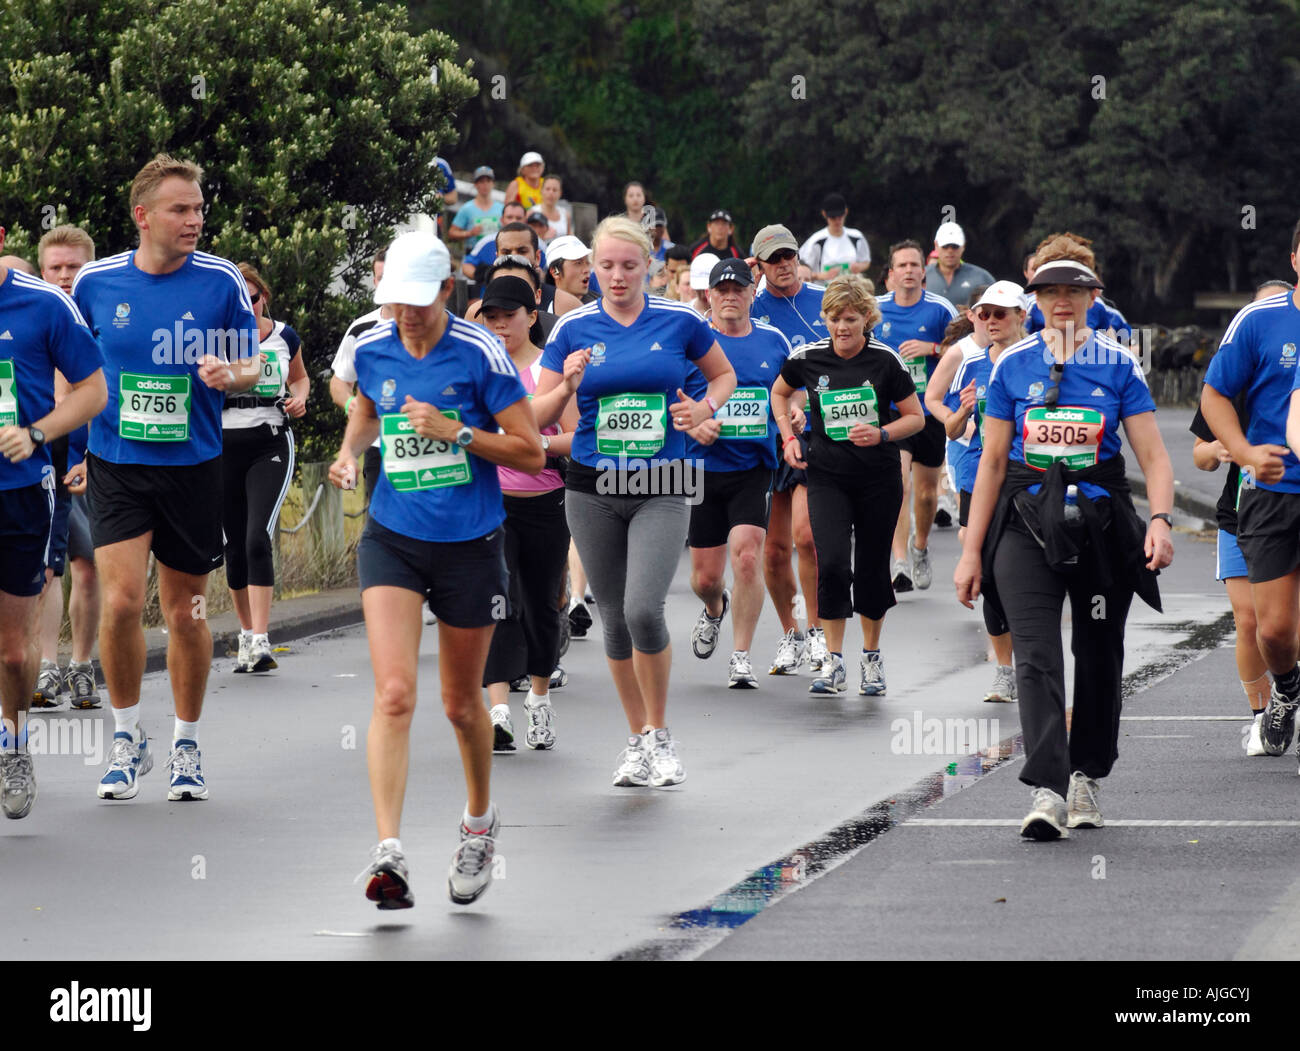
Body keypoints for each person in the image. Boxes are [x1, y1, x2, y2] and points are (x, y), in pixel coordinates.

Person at [334, 231, 543, 908]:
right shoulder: (373, 347)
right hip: (393, 536)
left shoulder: (480, 353)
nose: (408, 314)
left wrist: (455, 431)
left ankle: (478, 821)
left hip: (470, 542)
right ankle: (388, 851)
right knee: (394, 693)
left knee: (461, 703)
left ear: (447, 293)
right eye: (397, 301)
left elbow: (531, 452)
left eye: (420, 302)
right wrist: (346, 454)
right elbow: (366, 414)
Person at [955, 258, 1174, 839]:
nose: (1061, 302)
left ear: (1093, 297)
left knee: (1099, 653)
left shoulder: (1119, 365)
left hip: (1101, 523)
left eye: (1072, 292)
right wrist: (971, 552)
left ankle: (1085, 777)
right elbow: (993, 464)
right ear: (1034, 302)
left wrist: (1160, 520)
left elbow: (1152, 455)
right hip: (1026, 522)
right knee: (1036, 654)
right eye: (1048, 292)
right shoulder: (1011, 366)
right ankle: (1048, 788)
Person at [72, 154, 261, 803]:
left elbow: (254, 365)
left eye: (200, 209)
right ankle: (126, 738)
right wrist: (68, 444)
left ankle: (186, 742)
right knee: (122, 601)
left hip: (194, 466)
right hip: (118, 463)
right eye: (181, 209)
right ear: (142, 215)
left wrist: (228, 375)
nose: (195, 220)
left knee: (184, 611)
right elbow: (73, 369)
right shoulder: (94, 283)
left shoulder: (221, 281)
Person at [533, 216, 736, 787]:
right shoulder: (572, 328)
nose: (617, 276)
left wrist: (704, 410)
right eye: (606, 266)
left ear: (648, 265)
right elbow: (538, 416)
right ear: (591, 269)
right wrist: (567, 387)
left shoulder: (679, 321)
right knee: (614, 621)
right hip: (592, 486)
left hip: (663, 483)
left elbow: (722, 377)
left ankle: (662, 736)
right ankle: (637, 739)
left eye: (629, 265)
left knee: (644, 609)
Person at [771, 274, 923, 694]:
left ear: (867, 320)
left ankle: (871, 658)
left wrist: (883, 434)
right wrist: (788, 436)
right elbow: (779, 393)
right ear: (825, 319)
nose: (842, 327)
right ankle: (833, 662)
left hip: (877, 478)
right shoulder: (808, 357)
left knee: (872, 569)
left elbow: (917, 417)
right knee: (833, 563)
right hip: (827, 477)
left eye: (851, 319)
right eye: (835, 318)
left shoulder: (885, 361)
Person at [0, 224, 106, 818]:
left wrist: (39, 433)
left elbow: (93, 390)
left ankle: (13, 743)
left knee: (13, 654)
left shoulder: (44, 304)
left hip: (20, 491)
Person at [1204, 225, 1300, 763]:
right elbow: (1215, 395)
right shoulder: (1260, 320)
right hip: (1271, 490)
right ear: (1294, 258)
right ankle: (1286, 688)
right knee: (1275, 629)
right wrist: (1243, 452)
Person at [474, 275, 577, 750]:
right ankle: (497, 710)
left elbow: (577, 437)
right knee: (496, 600)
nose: (500, 326)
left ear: (532, 317)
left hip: (546, 503)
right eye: (491, 318)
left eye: (508, 317)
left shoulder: (547, 372)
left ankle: (537, 700)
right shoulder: (479, 371)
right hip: (492, 505)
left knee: (539, 605)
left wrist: (533, 443)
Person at [685, 258, 791, 687]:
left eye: (738, 289)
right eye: (721, 289)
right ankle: (714, 607)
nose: (730, 296)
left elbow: (791, 392)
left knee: (748, 555)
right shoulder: (693, 340)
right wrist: (696, 422)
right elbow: (669, 395)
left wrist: (795, 414)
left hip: (753, 466)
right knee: (705, 578)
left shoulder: (772, 340)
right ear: (709, 296)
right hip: (701, 468)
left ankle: (741, 655)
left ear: (753, 293)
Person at [927, 281, 1026, 703]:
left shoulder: (1040, 361)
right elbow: (946, 425)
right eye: (984, 314)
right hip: (978, 478)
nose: (990, 322)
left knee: (1028, 570)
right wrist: (963, 412)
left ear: (1022, 315)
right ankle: (1005, 669)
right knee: (988, 570)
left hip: (1028, 479)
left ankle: (1035, 659)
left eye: (999, 314)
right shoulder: (970, 362)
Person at [750, 224, 830, 674]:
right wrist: (743, 279)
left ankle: (817, 630)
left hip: (819, 434)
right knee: (775, 549)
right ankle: (790, 634)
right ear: (758, 265)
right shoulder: (751, 306)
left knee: (807, 536)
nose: (783, 265)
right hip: (767, 436)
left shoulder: (824, 300)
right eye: (772, 259)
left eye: (788, 256)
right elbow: (708, 340)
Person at [223, 263, 308, 673]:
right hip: (221, 445)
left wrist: (299, 398)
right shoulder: (215, 337)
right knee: (234, 546)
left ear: (264, 298)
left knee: (258, 536)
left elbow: (301, 378)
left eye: (253, 298)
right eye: (239, 298)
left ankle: (261, 639)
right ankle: (244, 634)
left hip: (269, 440)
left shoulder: (284, 335)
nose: (247, 305)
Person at [33, 225, 101, 709]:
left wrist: (91, 459)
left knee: (91, 566)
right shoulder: (40, 314)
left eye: (73, 268)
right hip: (49, 461)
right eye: (55, 268)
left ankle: (81, 665)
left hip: (102, 460)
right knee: (47, 568)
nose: (63, 276)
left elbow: (106, 395)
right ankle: (47, 667)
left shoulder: (103, 318)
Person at [874, 239, 958, 592]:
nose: (908, 271)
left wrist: (933, 348)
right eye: (901, 266)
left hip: (929, 411)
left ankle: (920, 547)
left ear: (924, 272)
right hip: (893, 412)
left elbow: (964, 348)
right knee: (899, 482)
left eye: (914, 265)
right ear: (890, 274)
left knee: (925, 494)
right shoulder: (875, 310)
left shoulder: (940, 310)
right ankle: (899, 562)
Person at [330, 250, 390, 509]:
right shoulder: (362, 329)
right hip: (377, 444)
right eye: (381, 278)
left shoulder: (439, 328)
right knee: (380, 527)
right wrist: (350, 404)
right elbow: (340, 381)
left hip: (431, 446)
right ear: (375, 282)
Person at [1024, 232, 1131, 343]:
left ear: (1092, 296)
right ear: (1038, 297)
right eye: (1051, 291)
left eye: (1074, 290)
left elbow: (1122, 344)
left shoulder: (1101, 309)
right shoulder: (1030, 308)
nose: (1062, 302)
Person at [798, 194, 871, 283]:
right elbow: (799, 270)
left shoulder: (857, 237)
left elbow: (866, 261)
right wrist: (821, 276)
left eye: (840, 216)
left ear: (846, 212)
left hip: (851, 292)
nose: (837, 221)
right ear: (824, 214)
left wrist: (859, 267)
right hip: (824, 294)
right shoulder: (816, 241)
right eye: (833, 217)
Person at [924, 221, 995, 307]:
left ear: (963, 246)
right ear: (936, 245)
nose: (950, 251)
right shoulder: (922, 275)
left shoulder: (982, 277)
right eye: (945, 246)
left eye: (955, 246)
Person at [460, 201, 528, 286]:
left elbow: (544, 272)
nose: (514, 221)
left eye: (518, 218)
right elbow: (466, 266)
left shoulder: (537, 243)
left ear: (525, 220)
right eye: (509, 217)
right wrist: (488, 276)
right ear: (502, 220)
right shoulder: (487, 242)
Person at [449, 166, 502, 246]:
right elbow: (452, 233)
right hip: (473, 255)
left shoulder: (501, 208)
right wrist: (469, 233)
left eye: (488, 181)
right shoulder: (466, 208)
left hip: (495, 254)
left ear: (493, 184)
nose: (485, 185)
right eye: (481, 181)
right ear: (475, 184)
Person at [545, 235, 596, 306]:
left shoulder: (603, 306)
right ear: (555, 272)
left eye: (588, 263)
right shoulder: (540, 306)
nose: (587, 270)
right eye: (578, 263)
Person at [538, 175, 569, 244]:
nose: (551, 193)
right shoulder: (532, 212)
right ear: (541, 191)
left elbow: (571, 238)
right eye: (548, 189)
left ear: (560, 193)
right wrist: (543, 238)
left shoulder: (565, 214)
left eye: (555, 190)